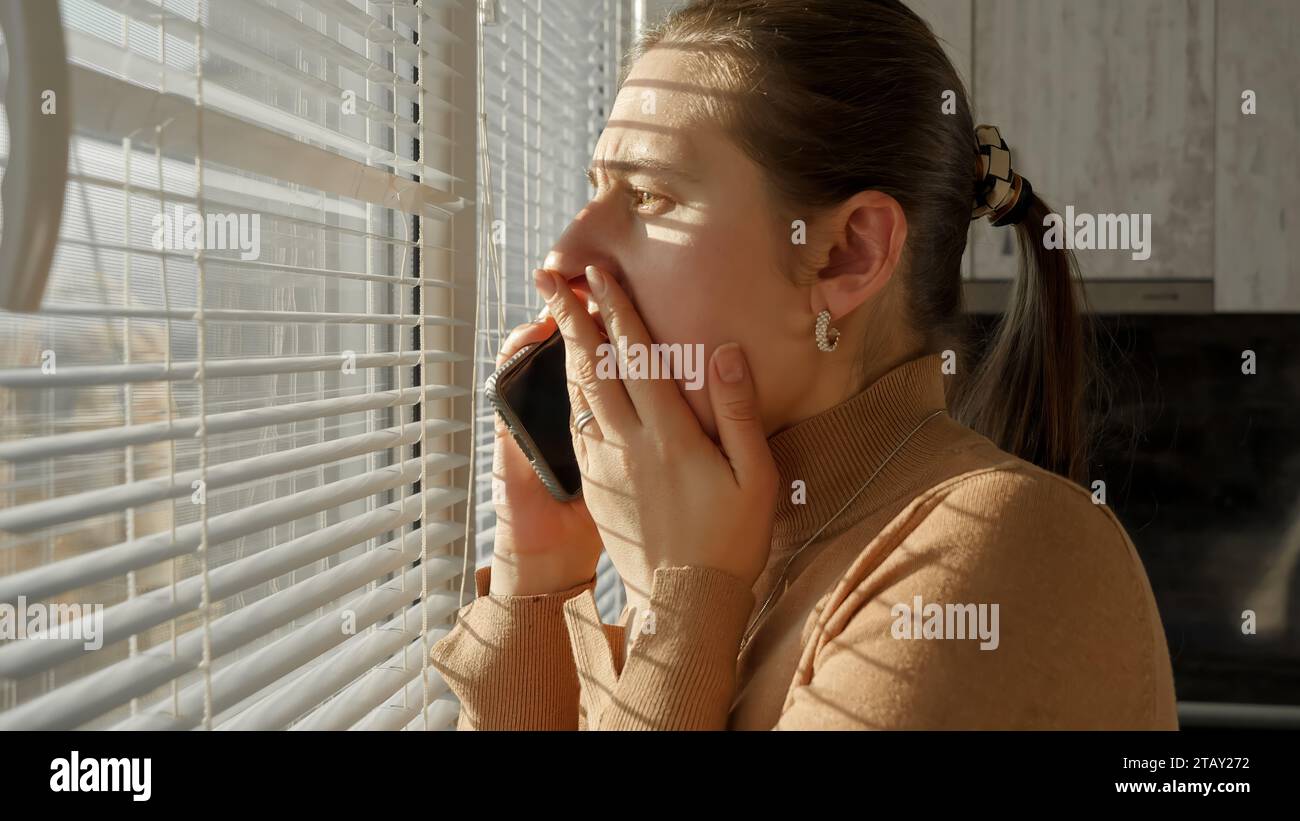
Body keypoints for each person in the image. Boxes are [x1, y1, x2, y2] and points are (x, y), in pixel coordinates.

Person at [429, 0, 1178, 730]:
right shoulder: (710, 547)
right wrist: (539, 576)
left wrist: (677, 605)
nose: (563, 254)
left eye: (650, 196)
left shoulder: (1007, 553)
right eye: (597, 190)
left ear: (848, 252)